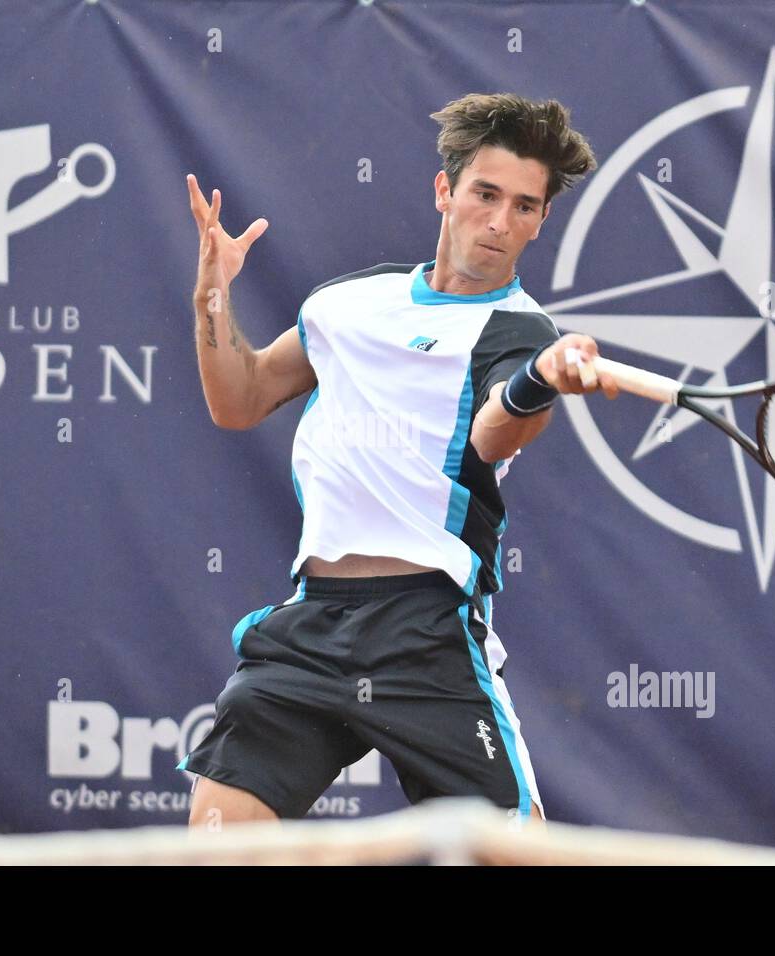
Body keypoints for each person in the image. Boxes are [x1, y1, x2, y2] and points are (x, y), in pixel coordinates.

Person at [178, 92, 618, 829]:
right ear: (445, 191)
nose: (500, 222)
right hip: (311, 627)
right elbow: (241, 399)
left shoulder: (519, 329)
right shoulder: (348, 303)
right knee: (218, 840)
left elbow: (493, 435)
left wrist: (541, 377)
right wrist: (213, 294)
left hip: (429, 634)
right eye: (485, 194)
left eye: (524, 207)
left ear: (541, 220)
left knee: (520, 853)